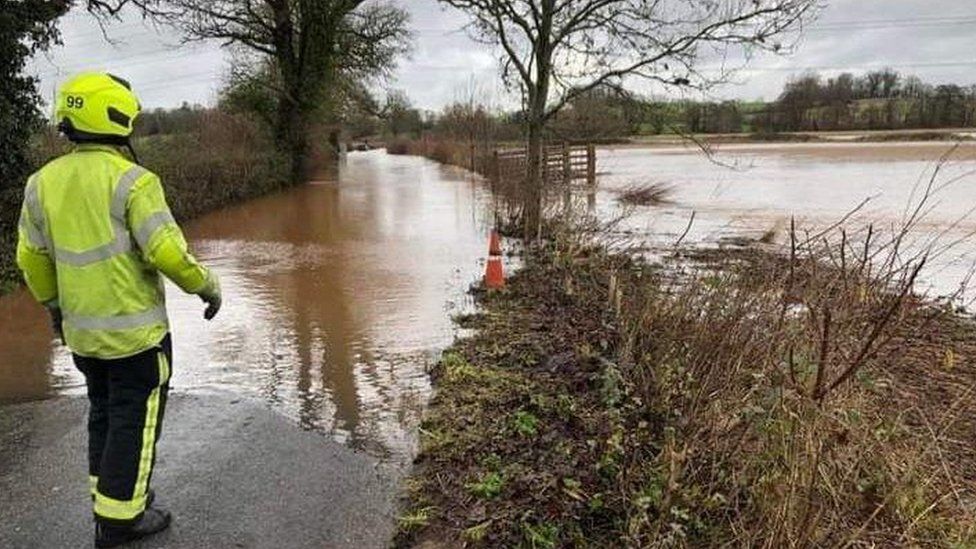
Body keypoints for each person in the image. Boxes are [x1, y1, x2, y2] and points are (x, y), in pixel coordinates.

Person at [15, 72, 222, 548]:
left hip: (82, 336)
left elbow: (30, 257)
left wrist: (53, 307)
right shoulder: (133, 181)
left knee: (104, 414)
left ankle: (109, 498)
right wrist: (208, 287)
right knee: (135, 418)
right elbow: (168, 253)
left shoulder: (40, 183)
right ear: (117, 115)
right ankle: (121, 521)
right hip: (135, 338)